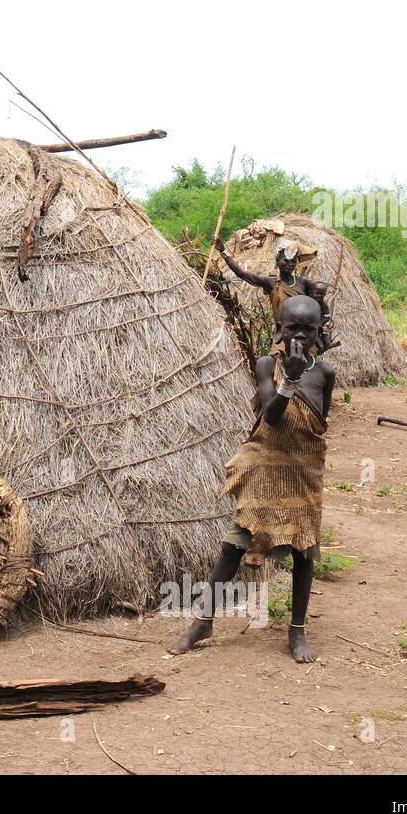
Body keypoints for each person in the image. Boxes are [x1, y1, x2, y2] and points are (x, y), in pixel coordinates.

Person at [169, 295, 335, 663]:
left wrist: (300, 380)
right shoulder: (266, 366)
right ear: (279, 329)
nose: (300, 335)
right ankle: (204, 621)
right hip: (264, 470)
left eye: (309, 329)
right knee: (233, 546)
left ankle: (297, 631)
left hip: (302, 474)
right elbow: (273, 417)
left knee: (304, 553)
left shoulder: (325, 374)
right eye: (292, 328)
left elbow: (318, 425)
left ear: (319, 331)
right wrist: (289, 380)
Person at [214, 235, 318, 344]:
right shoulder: (270, 282)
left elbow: (316, 305)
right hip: (283, 337)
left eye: (293, 261)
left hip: (305, 337)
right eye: (286, 260)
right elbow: (242, 273)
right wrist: (223, 251)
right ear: (278, 260)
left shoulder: (303, 282)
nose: (289, 264)